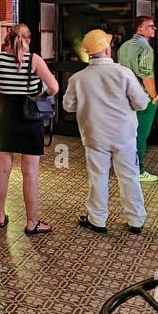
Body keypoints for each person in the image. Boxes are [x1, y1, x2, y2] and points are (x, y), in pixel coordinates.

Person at [0, 22, 59, 236]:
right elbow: (54, 88)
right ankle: (32, 222)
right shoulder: (34, 60)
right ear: (28, 39)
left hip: (5, 117)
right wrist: (40, 94)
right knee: (30, 173)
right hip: (30, 119)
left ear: (9, 39)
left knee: (2, 169)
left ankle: (0, 217)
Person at [63, 29, 149, 235]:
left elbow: (68, 106)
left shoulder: (78, 78)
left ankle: (97, 219)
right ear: (108, 49)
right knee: (129, 176)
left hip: (94, 135)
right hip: (124, 135)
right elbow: (141, 103)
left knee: (97, 176)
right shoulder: (123, 73)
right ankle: (135, 220)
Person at [117, 14, 158, 182]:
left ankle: (126, 166)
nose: (154, 29)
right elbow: (147, 76)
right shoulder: (146, 49)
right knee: (140, 134)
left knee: (128, 134)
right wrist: (154, 96)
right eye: (150, 26)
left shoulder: (124, 47)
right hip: (141, 98)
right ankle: (139, 170)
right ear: (139, 29)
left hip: (125, 96)